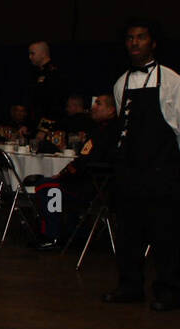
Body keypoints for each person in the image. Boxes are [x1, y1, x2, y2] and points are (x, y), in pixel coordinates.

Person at [103, 19, 180, 311]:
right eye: (130, 38)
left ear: (152, 42)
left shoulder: (172, 82)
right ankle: (130, 286)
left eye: (141, 37)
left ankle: (169, 291)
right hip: (130, 171)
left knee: (165, 235)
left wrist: (167, 161)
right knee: (128, 234)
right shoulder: (121, 83)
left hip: (162, 169)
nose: (134, 43)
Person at [31, 93, 118, 249]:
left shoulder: (105, 133)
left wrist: (63, 175)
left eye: (98, 104)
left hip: (94, 186)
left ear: (111, 110)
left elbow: (85, 163)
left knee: (48, 187)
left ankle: (52, 235)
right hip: (95, 183)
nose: (93, 107)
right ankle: (70, 231)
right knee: (51, 184)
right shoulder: (103, 130)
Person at [27, 41, 68, 124]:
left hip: (50, 125)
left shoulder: (54, 73)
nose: (30, 57)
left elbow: (56, 103)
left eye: (32, 54)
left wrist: (45, 128)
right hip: (36, 122)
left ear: (43, 54)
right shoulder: (36, 73)